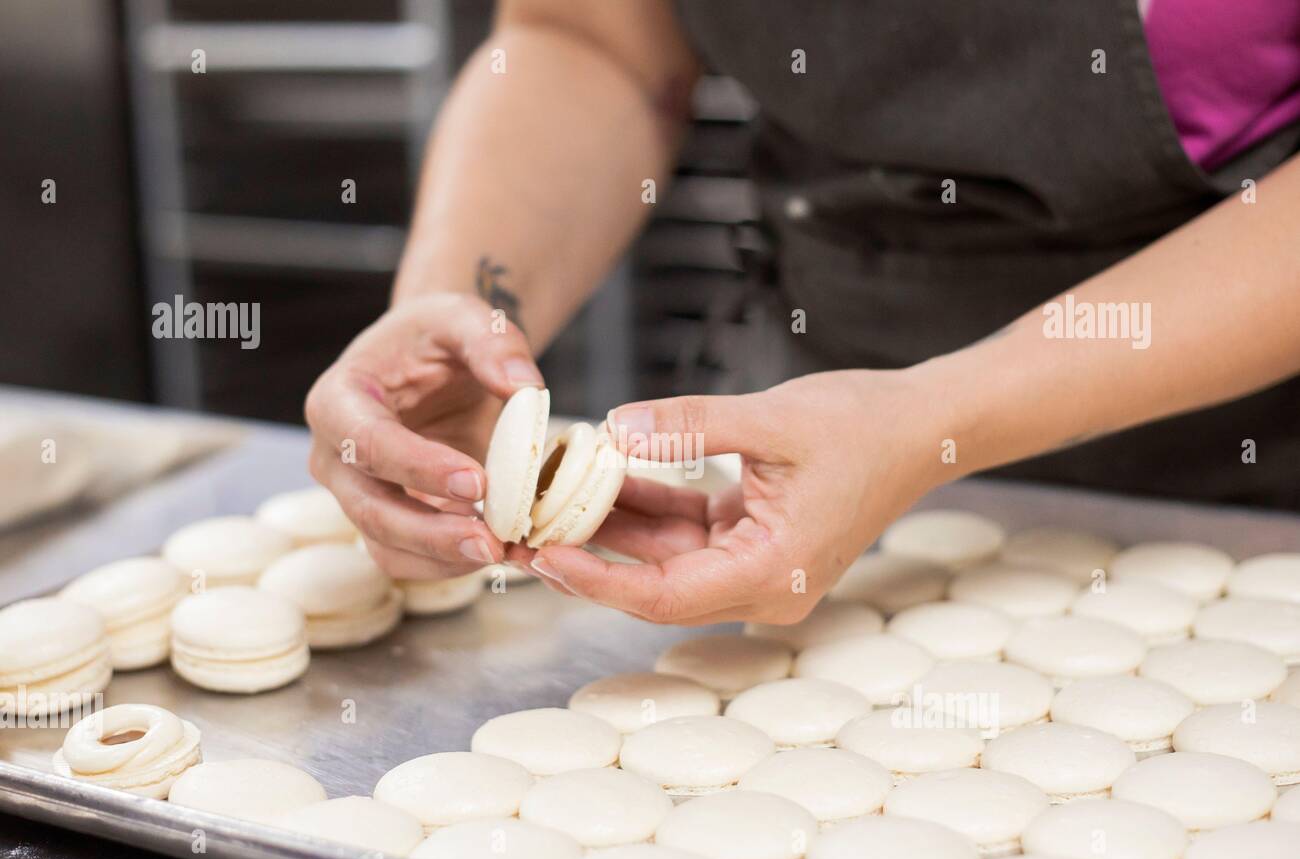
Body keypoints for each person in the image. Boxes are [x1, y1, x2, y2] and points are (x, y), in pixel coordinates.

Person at [305, 0, 1300, 625]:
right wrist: (461, 310)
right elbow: (589, 39)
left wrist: (930, 421)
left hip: (1237, 476)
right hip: (801, 448)